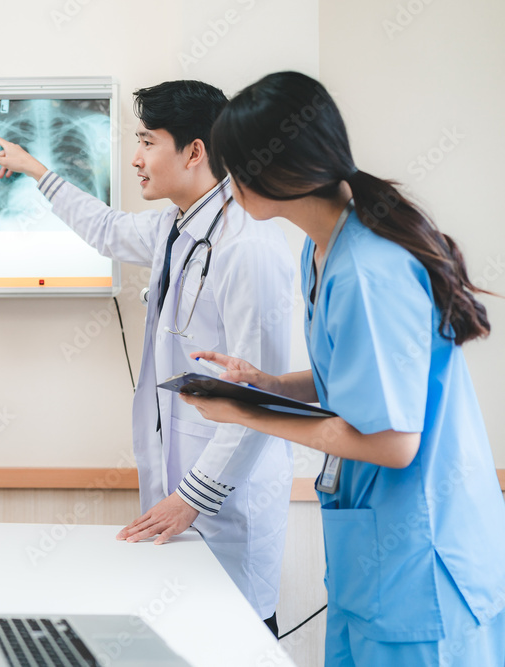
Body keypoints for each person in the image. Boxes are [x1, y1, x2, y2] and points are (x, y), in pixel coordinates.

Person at [186, 70, 505, 664]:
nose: (228, 186)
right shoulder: (323, 247)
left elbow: (392, 442)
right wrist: (267, 385)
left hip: (423, 569)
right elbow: (358, 380)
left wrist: (246, 413)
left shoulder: (367, 270)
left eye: (234, 170)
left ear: (276, 171)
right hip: (376, 555)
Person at [0, 80, 295, 633]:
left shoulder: (247, 245)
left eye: (148, 142)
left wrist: (191, 499)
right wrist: (35, 169)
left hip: (225, 507)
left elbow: (259, 398)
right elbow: (107, 229)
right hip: (179, 500)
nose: (136, 158)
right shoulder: (177, 226)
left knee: (232, 638)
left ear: (194, 151)